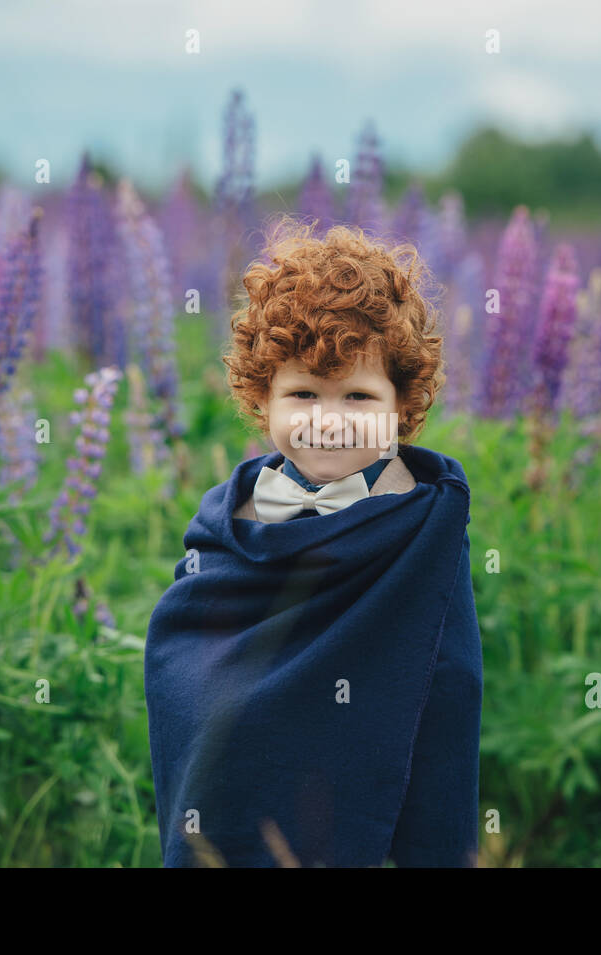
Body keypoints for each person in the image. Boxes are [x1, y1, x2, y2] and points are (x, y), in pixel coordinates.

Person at [144, 217, 482, 866]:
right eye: (302, 393)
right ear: (261, 398)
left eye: (358, 395)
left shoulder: (423, 527)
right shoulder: (228, 525)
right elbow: (186, 672)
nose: (329, 420)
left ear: (402, 404)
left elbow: (451, 690)